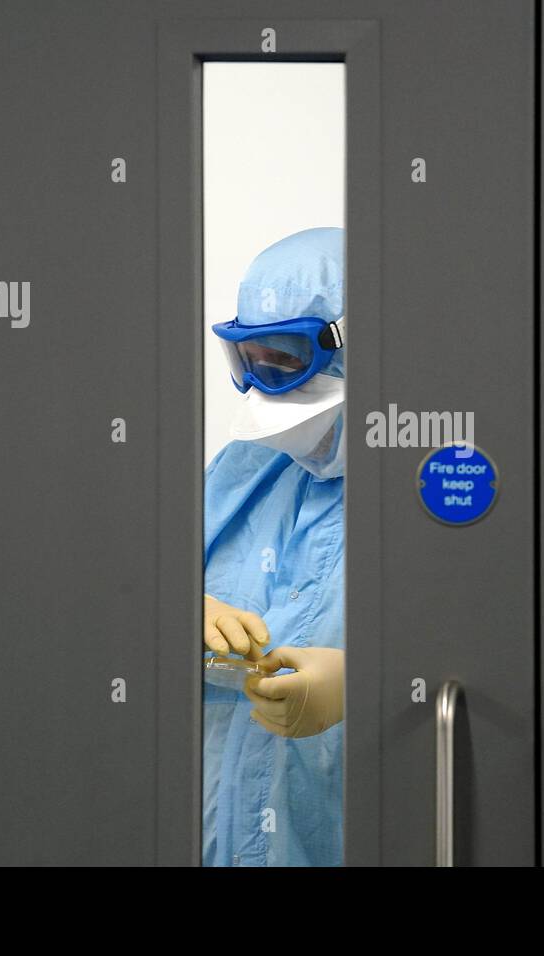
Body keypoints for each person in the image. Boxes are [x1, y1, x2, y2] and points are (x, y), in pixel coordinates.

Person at [202, 227, 347, 867]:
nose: (264, 380)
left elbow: (501, 677)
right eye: (248, 357)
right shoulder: (242, 472)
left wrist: (367, 685)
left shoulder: (447, 495)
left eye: (285, 359)